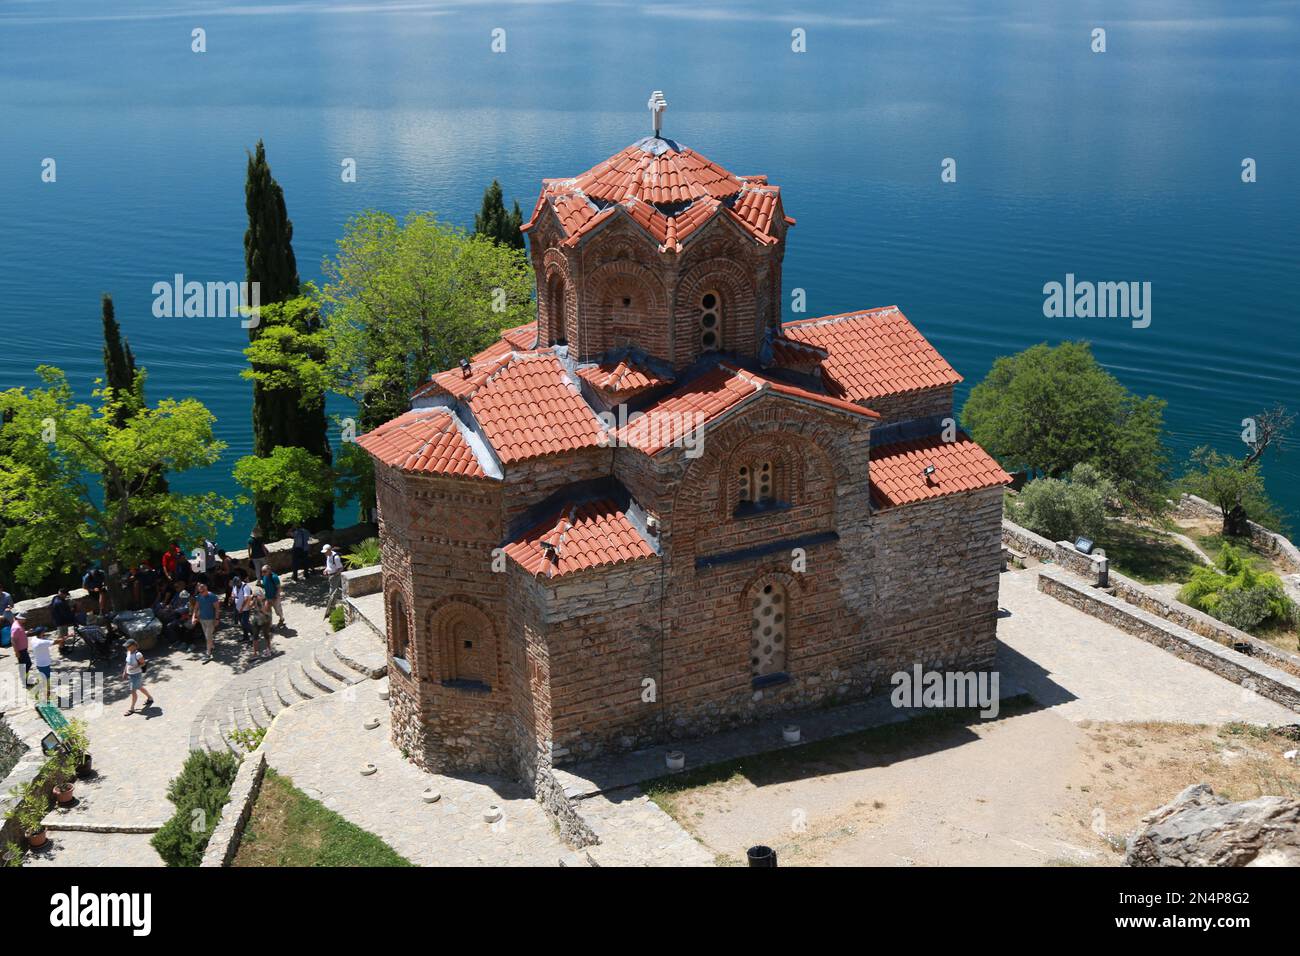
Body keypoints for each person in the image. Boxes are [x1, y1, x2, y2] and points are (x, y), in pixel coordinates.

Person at [26, 624, 65, 704]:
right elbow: (58, 641)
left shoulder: (34, 639)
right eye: (44, 632)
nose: (45, 633)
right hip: (44, 665)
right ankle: (46, 698)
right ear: (41, 633)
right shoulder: (43, 642)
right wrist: (67, 636)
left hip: (39, 663)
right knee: (46, 681)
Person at [121, 638, 154, 715]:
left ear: (134, 646)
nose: (127, 647)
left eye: (128, 646)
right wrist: (124, 672)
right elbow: (127, 663)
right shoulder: (128, 652)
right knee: (139, 687)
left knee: (133, 691)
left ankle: (132, 708)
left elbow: (143, 663)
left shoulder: (138, 654)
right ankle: (150, 698)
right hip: (131, 674)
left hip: (136, 675)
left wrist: (134, 667)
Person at [192, 582, 221, 662]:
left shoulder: (213, 596)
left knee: (208, 636)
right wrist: (193, 617)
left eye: (203, 591)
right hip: (202, 619)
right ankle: (211, 646)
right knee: (207, 635)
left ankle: (208, 653)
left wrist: (217, 619)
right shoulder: (199, 597)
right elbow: (196, 608)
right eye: (200, 592)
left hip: (211, 620)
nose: (201, 593)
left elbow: (217, 609)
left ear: (206, 589)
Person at [249, 580, 273, 657]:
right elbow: (249, 606)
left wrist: (260, 604)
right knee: (255, 636)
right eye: (255, 595)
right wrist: (251, 599)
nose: (256, 596)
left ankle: (268, 649)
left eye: (257, 594)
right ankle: (255, 653)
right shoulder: (255, 600)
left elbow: (266, 611)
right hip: (256, 620)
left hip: (265, 620)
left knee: (266, 635)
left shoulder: (266, 601)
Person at [322, 544, 344, 617]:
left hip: (335, 576)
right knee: (335, 592)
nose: (324, 553)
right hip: (331, 576)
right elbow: (329, 566)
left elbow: (340, 568)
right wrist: (326, 570)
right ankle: (334, 608)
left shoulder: (336, 557)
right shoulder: (328, 556)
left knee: (332, 593)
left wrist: (334, 576)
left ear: (329, 550)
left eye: (325, 552)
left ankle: (332, 610)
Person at [232, 575, 253, 642]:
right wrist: (232, 596)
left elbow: (246, 599)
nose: (236, 585)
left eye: (237, 583)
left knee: (245, 622)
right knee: (242, 623)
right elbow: (233, 593)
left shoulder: (245, 587)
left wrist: (241, 608)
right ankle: (246, 637)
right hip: (238, 608)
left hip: (245, 608)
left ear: (240, 581)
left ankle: (254, 635)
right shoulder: (235, 586)